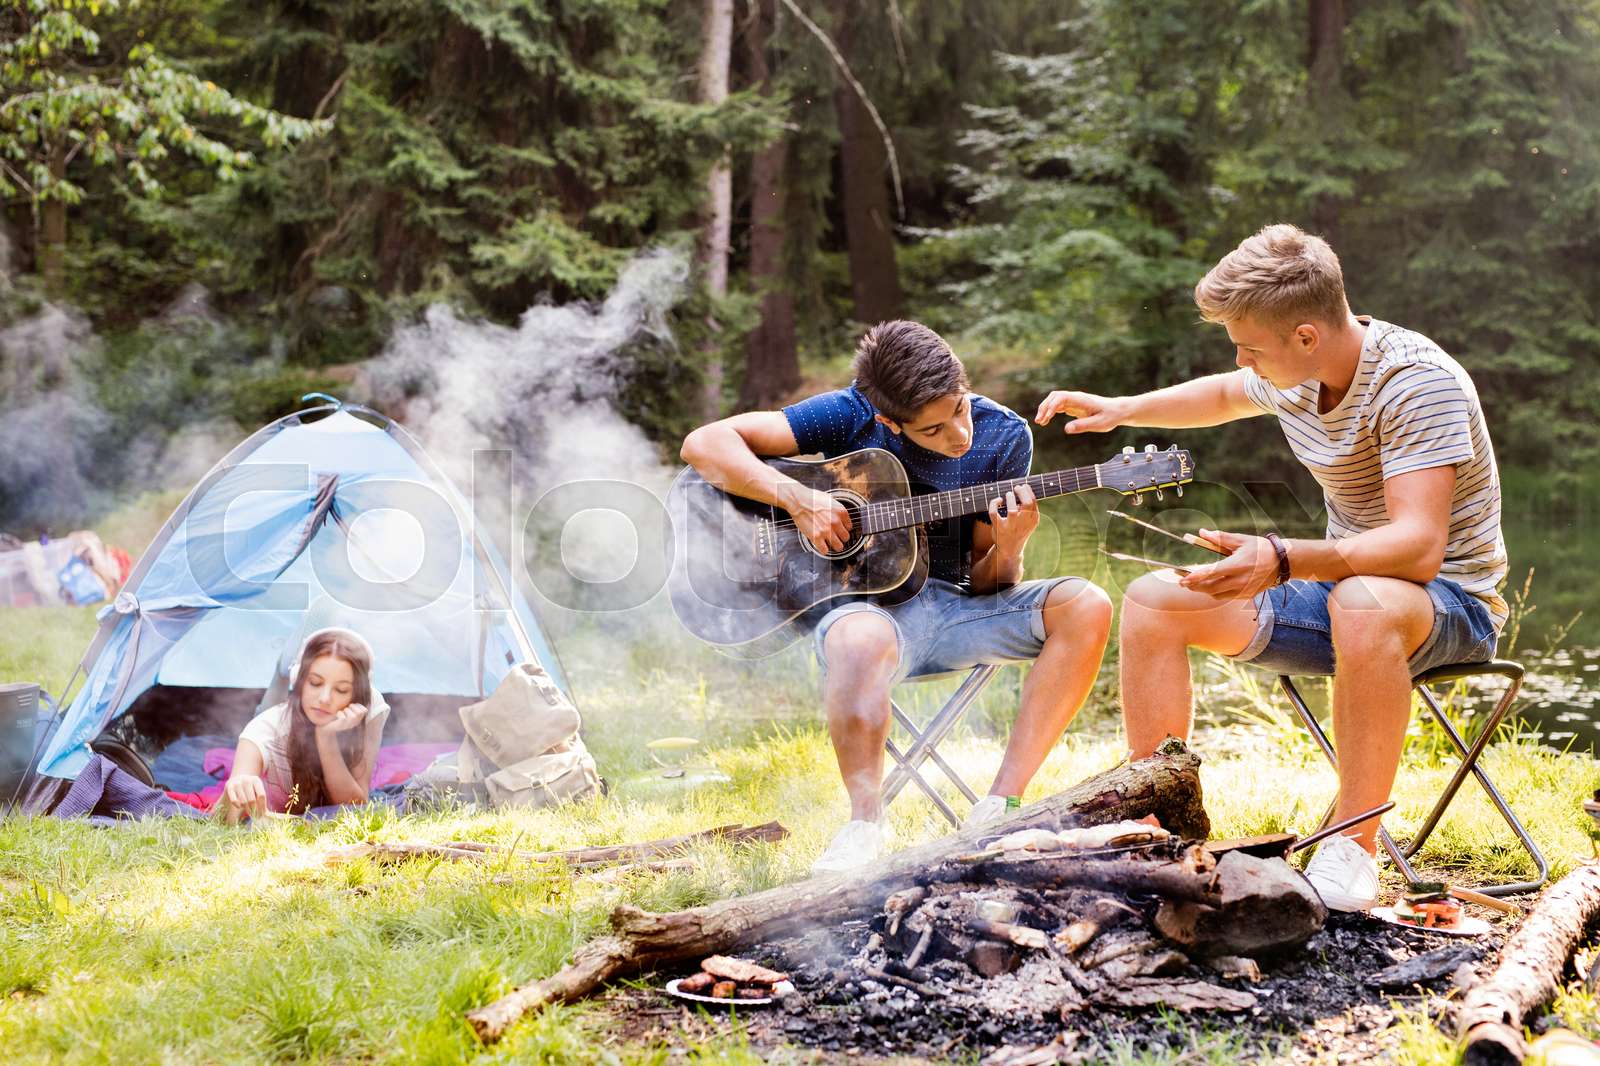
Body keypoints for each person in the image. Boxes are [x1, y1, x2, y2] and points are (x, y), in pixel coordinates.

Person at [1037, 223, 1507, 911]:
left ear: (1307, 336)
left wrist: (1284, 560)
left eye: (1250, 344)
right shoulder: (1295, 372)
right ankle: (1161, 834)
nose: (1241, 357)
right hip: (1343, 591)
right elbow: (1225, 394)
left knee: (1361, 601)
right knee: (1153, 600)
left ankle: (1353, 847)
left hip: (1449, 603)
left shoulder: (1415, 383)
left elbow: (1417, 547)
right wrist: (1125, 411)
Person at [681, 320, 1113, 873]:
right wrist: (795, 498)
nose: (957, 435)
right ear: (887, 419)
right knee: (860, 638)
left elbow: (990, 584)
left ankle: (998, 809)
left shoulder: (1005, 437)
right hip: (867, 615)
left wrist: (1010, 544)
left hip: (957, 607)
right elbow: (703, 443)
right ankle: (865, 824)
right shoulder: (851, 414)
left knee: (1088, 604)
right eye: (932, 431)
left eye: (959, 409)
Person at [221, 627, 388, 819]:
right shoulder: (264, 730)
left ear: (358, 693)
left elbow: (356, 806)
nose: (325, 698)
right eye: (315, 683)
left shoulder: (368, 708)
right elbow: (225, 818)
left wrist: (325, 738)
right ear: (299, 680)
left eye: (341, 690)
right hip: (282, 719)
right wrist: (235, 789)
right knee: (269, 711)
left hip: (297, 716)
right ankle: (282, 670)